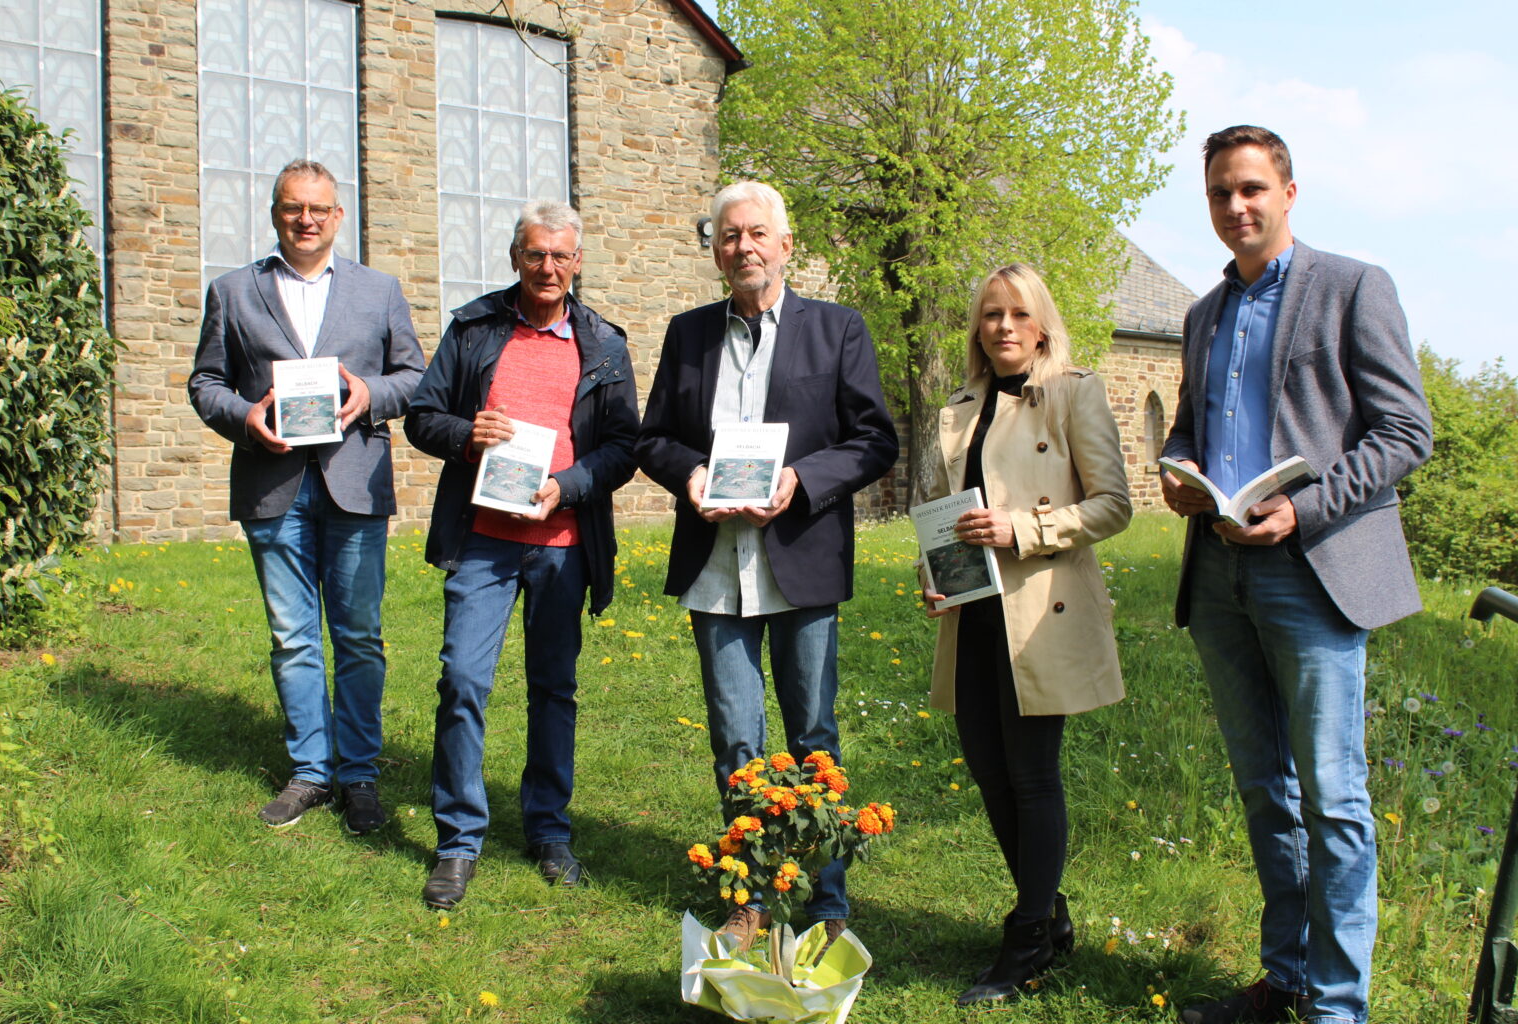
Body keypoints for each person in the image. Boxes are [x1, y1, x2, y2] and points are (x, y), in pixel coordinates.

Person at [1161, 126, 1432, 1024]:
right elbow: (1191, 429)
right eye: (1218, 195)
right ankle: (1285, 980)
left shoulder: (1355, 287)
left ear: (1287, 191)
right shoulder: (1203, 314)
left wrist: (1303, 509)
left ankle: (1337, 1006)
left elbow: (1405, 434)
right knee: (1262, 790)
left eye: (1250, 189)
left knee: (1334, 797)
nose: (1235, 208)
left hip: (1312, 574)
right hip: (1218, 581)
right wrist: (1177, 468)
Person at [635, 181, 898, 948]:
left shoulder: (838, 329)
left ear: (786, 244)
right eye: (727, 236)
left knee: (813, 731)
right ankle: (749, 889)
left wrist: (802, 480)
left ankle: (827, 893)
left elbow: (874, 438)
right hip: (718, 566)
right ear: (714, 250)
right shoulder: (688, 336)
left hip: (802, 559)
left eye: (756, 234)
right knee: (735, 738)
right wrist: (687, 476)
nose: (742, 247)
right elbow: (654, 436)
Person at [405, 200, 639, 908]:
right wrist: (464, 434)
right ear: (516, 258)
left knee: (553, 689)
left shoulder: (604, 343)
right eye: (536, 254)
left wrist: (568, 486)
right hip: (484, 539)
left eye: (562, 256)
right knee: (462, 681)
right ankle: (458, 841)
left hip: (563, 543)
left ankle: (548, 829)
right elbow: (421, 415)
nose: (549, 268)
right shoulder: (476, 327)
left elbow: (625, 445)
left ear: (577, 263)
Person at [188, 159, 424, 834]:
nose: (307, 219)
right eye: (294, 208)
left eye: (319, 208)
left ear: (338, 215)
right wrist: (244, 418)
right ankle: (310, 772)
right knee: (293, 637)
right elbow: (206, 383)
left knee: (358, 637)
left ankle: (359, 774)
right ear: (275, 214)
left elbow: (415, 375)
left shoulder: (377, 291)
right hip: (274, 485)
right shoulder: (234, 292)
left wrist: (369, 395)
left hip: (354, 482)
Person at [919, 263, 1131, 1005]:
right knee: (987, 768)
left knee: (1033, 775)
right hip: (974, 607)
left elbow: (1113, 505)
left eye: (1017, 314)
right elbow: (953, 509)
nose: (1003, 326)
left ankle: (1029, 935)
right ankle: (1050, 914)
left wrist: (1023, 529)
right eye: (989, 315)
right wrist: (936, 569)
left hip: (1042, 608)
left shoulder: (1074, 392)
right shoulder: (963, 403)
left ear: (1041, 323)